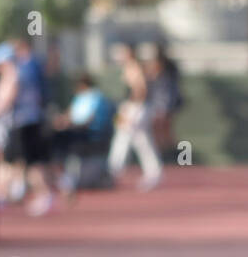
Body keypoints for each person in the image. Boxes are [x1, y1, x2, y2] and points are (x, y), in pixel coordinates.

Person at [0, 39, 57, 216]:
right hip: (26, 123)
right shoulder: (22, 72)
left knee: (26, 164)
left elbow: (3, 101)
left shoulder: (13, 74)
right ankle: (1, 195)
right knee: (14, 162)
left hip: (22, 125)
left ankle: (42, 194)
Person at [107, 42, 162, 191]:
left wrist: (134, 110)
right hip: (132, 107)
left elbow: (140, 88)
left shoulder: (133, 66)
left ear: (129, 52)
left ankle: (114, 170)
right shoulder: (130, 67)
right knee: (139, 140)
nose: (119, 56)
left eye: (122, 52)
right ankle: (153, 172)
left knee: (125, 137)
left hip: (134, 107)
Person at [51, 74, 115, 194]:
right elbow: (69, 114)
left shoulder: (96, 97)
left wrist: (70, 123)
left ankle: (68, 177)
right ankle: (63, 175)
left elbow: (88, 119)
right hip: (78, 130)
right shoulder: (79, 97)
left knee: (64, 140)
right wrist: (61, 121)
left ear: (83, 85)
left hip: (91, 133)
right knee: (55, 137)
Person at [145, 42, 182, 154]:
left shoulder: (164, 65)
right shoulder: (169, 65)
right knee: (161, 126)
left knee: (162, 125)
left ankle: (169, 150)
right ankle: (164, 148)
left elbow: (152, 75)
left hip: (164, 99)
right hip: (164, 98)